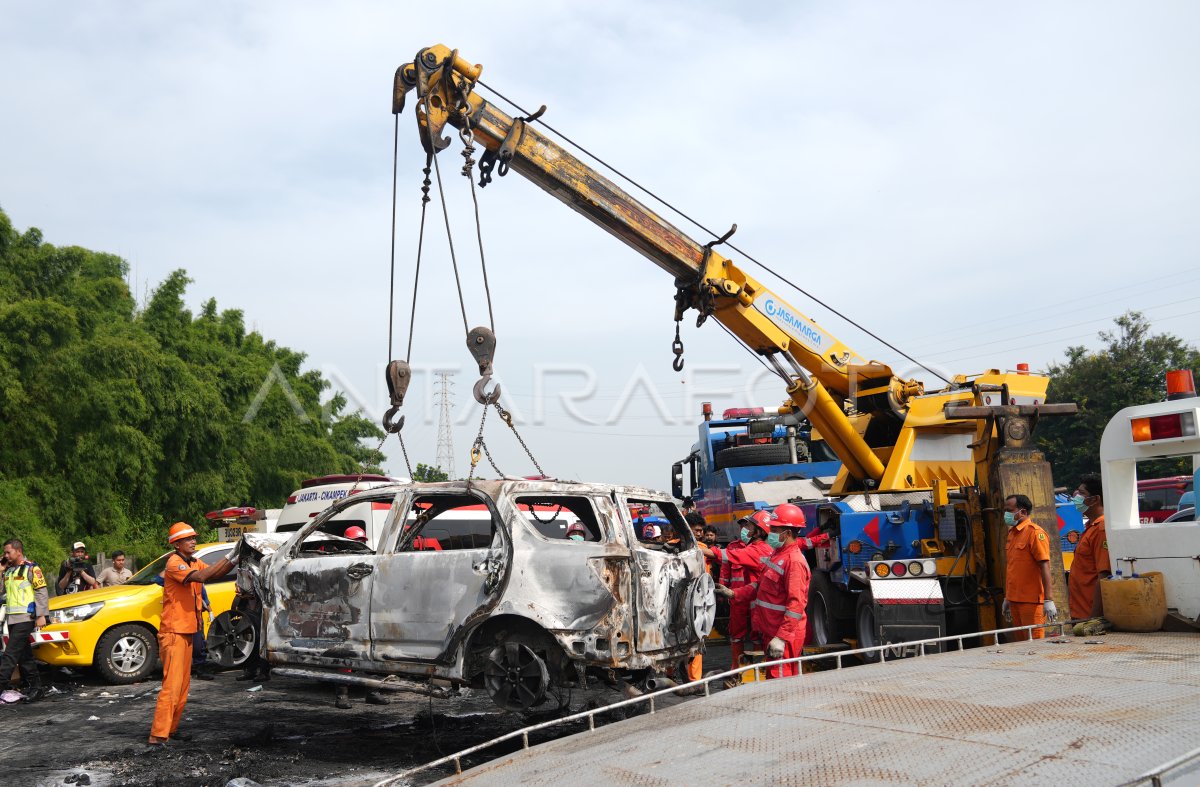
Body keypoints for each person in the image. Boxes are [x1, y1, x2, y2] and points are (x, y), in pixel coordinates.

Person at [148, 522, 237, 745]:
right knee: (172, 686)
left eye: (193, 537)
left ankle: (171, 729)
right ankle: (158, 735)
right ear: (176, 544)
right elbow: (202, 576)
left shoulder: (194, 561)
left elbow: (214, 572)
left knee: (183, 686)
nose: (193, 541)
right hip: (174, 632)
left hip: (187, 630)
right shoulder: (174, 563)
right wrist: (233, 556)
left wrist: (236, 557)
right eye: (188, 539)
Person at [725, 507, 811, 679]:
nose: (769, 533)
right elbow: (760, 586)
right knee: (774, 679)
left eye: (774, 529)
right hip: (771, 631)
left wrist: (781, 637)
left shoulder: (794, 562)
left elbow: (796, 605)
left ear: (786, 533)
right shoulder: (778, 554)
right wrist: (734, 594)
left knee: (780, 684)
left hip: (783, 636)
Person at [713, 510, 775, 668]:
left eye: (749, 526)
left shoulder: (756, 550)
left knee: (757, 633)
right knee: (737, 632)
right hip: (739, 595)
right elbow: (725, 571)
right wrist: (725, 592)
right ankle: (738, 667)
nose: (745, 529)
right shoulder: (736, 547)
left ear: (757, 531)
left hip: (753, 597)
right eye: (744, 525)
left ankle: (756, 667)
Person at [1001, 494, 1058, 640]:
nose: (1006, 514)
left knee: (1034, 645)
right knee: (1021, 645)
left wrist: (1048, 599)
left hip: (1031, 602)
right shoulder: (1012, 534)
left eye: (1009, 510)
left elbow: (1044, 565)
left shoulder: (1035, 533)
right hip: (1015, 599)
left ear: (1023, 512)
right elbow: (1012, 568)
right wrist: (1008, 597)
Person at [1, 539, 49, 703]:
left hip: (26, 618)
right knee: (24, 655)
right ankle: (36, 688)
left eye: (8, 552)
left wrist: (41, 615)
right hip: (12, 619)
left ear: (18, 551)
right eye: (4, 552)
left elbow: (41, 591)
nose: (5, 555)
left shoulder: (31, 568)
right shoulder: (8, 571)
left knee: (10, 654)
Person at [1067, 474, 1111, 620]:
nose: (1076, 496)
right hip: (1080, 611)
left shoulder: (1101, 529)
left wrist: (1094, 619)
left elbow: (1103, 576)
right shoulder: (1090, 527)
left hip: (1089, 614)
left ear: (1095, 499)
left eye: (1082, 493)